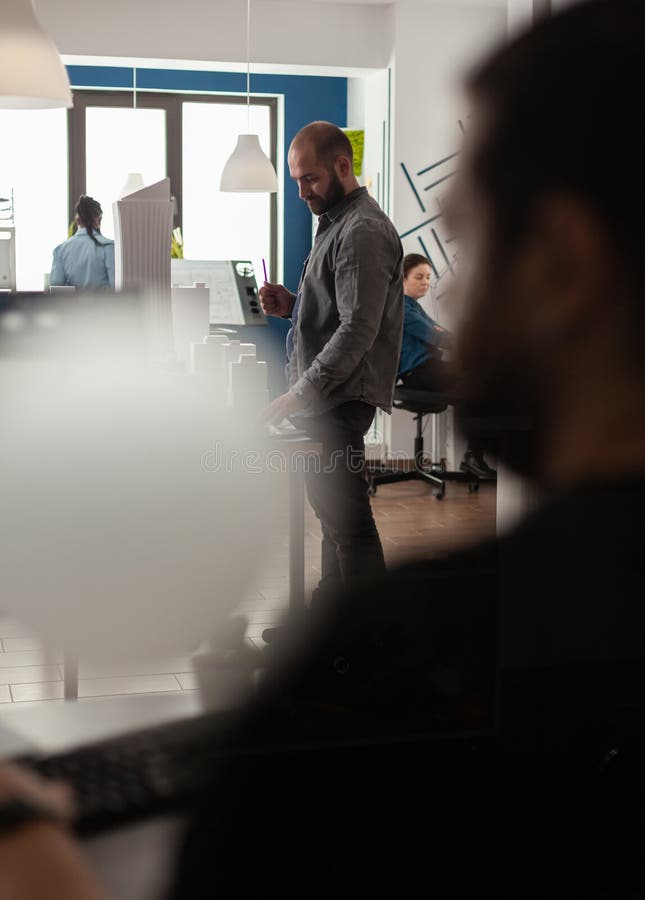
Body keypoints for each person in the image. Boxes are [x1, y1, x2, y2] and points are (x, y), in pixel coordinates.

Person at [2, 2, 645, 897]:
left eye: (473, 237)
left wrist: (19, 828)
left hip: (334, 413)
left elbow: (356, 339)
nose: (450, 301)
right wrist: (282, 314)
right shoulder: (334, 228)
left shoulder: (450, 657)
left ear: (565, 262)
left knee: (344, 528)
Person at [259, 121, 404, 595]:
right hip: (327, 398)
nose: (302, 192)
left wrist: (298, 395)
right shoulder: (337, 222)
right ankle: (332, 626)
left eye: (310, 179)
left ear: (343, 166)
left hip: (338, 400)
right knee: (332, 516)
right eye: (297, 180)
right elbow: (339, 307)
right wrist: (294, 303)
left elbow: (358, 329)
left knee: (348, 523)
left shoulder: (362, 229)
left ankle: (370, 642)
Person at [398, 251, 496, 478]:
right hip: (419, 372)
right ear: (403, 279)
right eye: (419, 277)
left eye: (428, 277)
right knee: (478, 387)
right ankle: (473, 456)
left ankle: (473, 455)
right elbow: (437, 337)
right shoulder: (404, 309)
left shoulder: (413, 306)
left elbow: (440, 333)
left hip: (428, 367)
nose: (426, 283)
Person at [50, 195, 115, 290]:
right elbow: (117, 288)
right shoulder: (109, 247)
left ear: (77, 221)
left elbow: (56, 289)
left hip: (73, 305)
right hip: (104, 304)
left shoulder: (61, 250)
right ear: (99, 219)